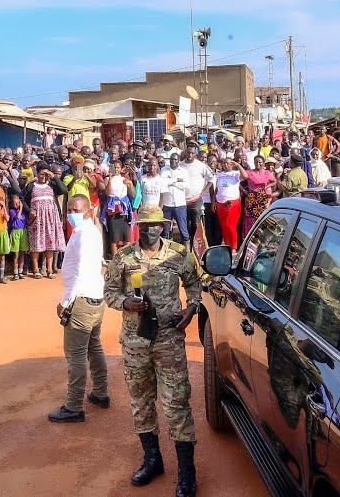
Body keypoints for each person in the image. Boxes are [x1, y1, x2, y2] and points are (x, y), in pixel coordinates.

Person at [105, 204, 202, 497]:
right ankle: (152, 460)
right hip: (135, 342)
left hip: (169, 341)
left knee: (176, 403)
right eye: (145, 226)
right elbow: (109, 292)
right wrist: (125, 302)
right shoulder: (123, 257)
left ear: (164, 226)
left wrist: (191, 308)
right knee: (141, 402)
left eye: (156, 225)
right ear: (139, 227)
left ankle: (187, 472)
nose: (151, 230)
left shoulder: (178, 253)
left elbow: (195, 284)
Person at [48, 194, 110, 424]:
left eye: (76, 210)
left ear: (87, 211)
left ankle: (74, 406)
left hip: (81, 299)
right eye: (69, 210)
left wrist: (65, 301)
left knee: (76, 355)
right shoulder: (91, 231)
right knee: (94, 346)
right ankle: (101, 393)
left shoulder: (84, 234)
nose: (71, 214)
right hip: (96, 296)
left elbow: (81, 273)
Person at [240, 155, 275, 240]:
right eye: (256, 162)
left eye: (260, 162)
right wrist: (244, 191)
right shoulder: (249, 172)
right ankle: (248, 240)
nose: (258, 164)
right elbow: (238, 181)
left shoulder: (267, 173)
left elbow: (274, 181)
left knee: (261, 219)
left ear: (263, 163)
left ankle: (259, 240)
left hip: (263, 199)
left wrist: (267, 186)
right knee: (250, 219)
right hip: (251, 199)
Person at [213, 157, 244, 248]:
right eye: (224, 163)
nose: (226, 165)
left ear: (232, 164)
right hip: (220, 203)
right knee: (224, 226)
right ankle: (227, 245)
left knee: (231, 226)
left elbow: (245, 176)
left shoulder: (235, 173)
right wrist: (214, 203)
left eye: (228, 163)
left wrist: (237, 165)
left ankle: (234, 247)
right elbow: (216, 189)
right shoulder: (219, 175)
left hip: (232, 203)